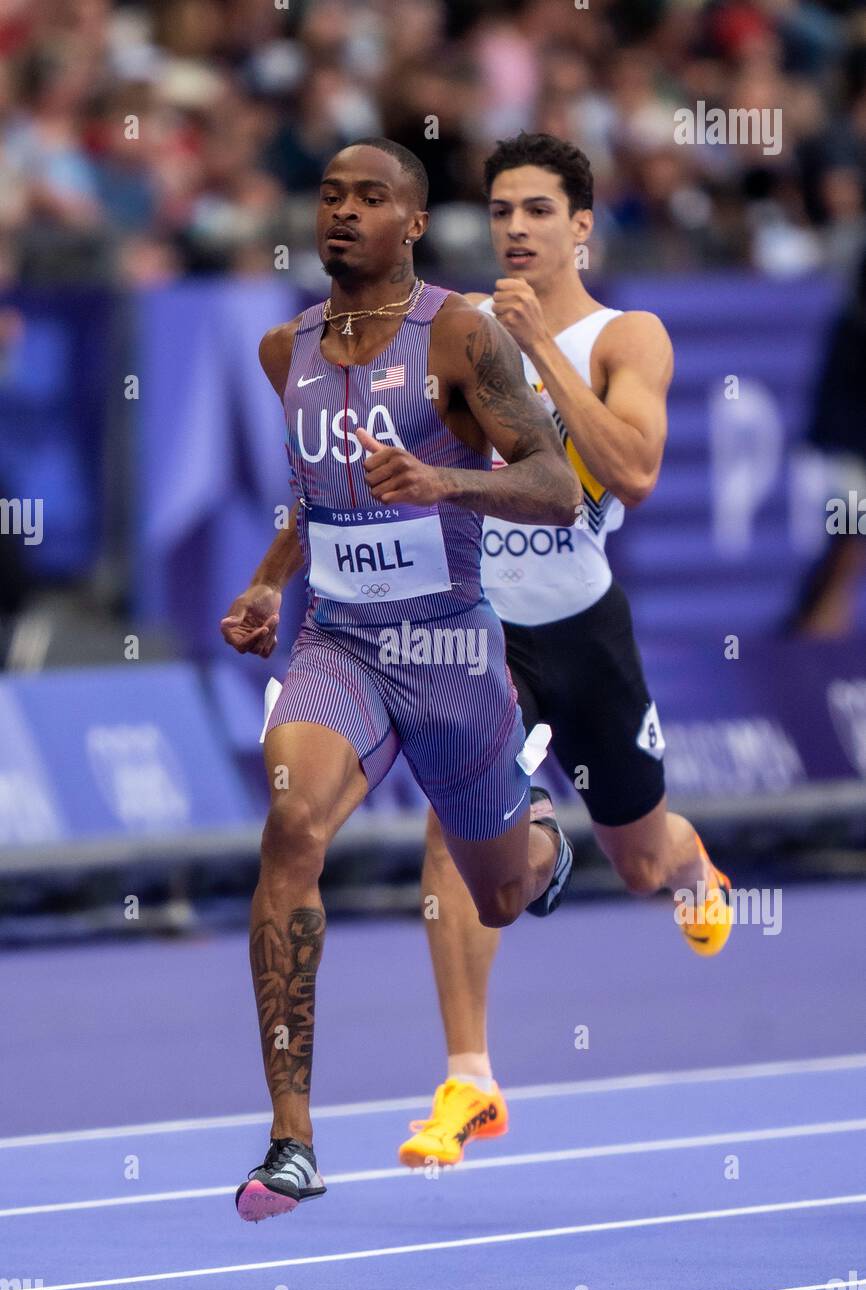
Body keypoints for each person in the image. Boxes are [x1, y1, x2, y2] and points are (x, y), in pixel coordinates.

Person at [220, 137, 581, 1223]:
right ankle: (292, 1140)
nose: (342, 213)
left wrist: (441, 479)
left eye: (370, 198)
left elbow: (556, 487)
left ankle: (544, 839)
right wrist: (268, 581)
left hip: (451, 651)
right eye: (329, 195)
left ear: (411, 224)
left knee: (499, 892)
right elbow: (312, 494)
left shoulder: (460, 334)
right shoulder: (284, 351)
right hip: (339, 646)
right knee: (290, 829)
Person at [397, 132, 734, 1171]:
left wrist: (539, 348)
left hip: (584, 632)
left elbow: (631, 471)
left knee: (638, 860)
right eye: (499, 210)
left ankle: (687, 860)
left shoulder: (625, 335)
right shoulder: (455, 332)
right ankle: (469, 1079)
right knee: (452, 828)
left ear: (580, 226)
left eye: (537, 210)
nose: (514, 228)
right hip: (482, 633)